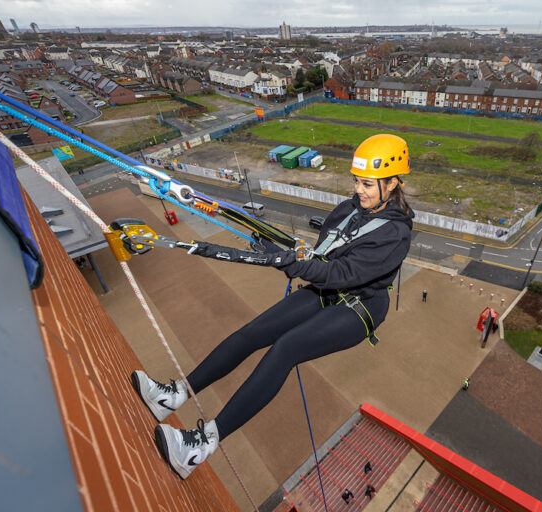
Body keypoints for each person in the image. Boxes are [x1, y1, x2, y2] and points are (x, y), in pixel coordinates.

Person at [130, 134, 414, 479]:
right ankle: (174, 395)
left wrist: (293, 265)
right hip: (327, 287)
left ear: (394, 182)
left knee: (286, 348)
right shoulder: (349, 208)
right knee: (252, 333)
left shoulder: (395, 234)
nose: (359, 190)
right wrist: (277, 250)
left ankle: (199, 446)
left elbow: (344, 273)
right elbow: (323, 254)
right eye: (356, 181)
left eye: (367, 183)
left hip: (361, 307)